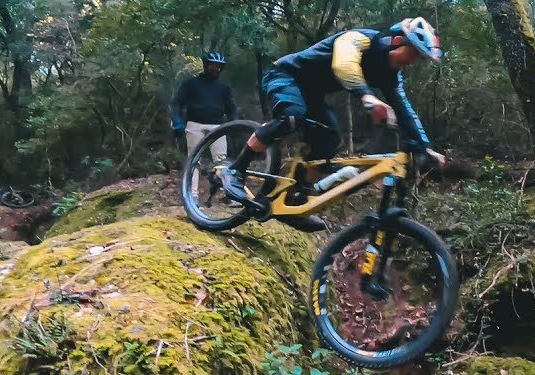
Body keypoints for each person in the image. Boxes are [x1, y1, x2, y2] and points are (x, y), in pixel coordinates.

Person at [219, 18, 447, 231]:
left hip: (311, 93)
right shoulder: (361, 39)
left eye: (418, 57)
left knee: (330, 140)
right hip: (285, 75)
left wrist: (424, 147)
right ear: (398, 40)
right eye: (413, 53)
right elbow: (343, 64)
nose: (412, 61)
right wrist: (366, 95)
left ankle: (295, 198)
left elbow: (404, 110)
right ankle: (234, 170)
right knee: (291, 117)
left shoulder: (391, 75)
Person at [171, 51, 240, 196]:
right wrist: (177, 122)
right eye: (212, 65)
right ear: (205, 65)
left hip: (218, 126)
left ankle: (228, 194)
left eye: (218, 66)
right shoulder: (191, 83)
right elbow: (177, 103)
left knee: (221, 161)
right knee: (194, 160)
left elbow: (231, 108)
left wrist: (234, 125)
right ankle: (192, 195)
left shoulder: (223, 87)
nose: (215, 69)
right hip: (195, 125)